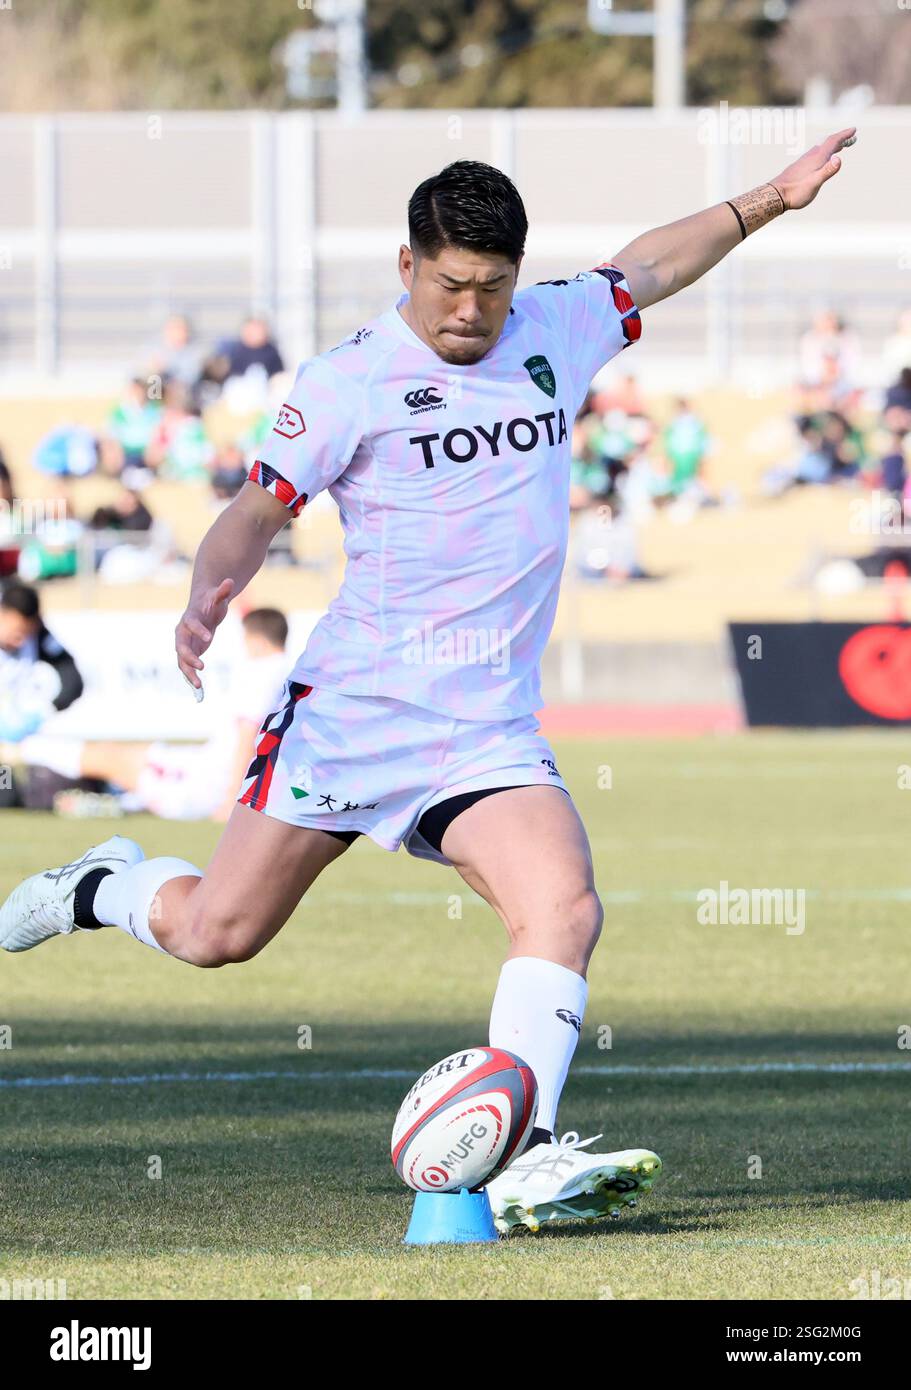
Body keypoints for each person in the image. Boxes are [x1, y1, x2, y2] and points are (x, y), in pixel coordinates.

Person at [0, 130, 857, 1232]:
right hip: (352, 716)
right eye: (451, 284)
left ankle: (527, 1154)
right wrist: (212, 589)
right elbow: (256, 509)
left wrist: (770, 200)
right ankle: (99, 887)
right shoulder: (346, 380)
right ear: (406, 267)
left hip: (483, 728)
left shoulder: (551, 325)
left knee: (563, 904)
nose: (471, 310)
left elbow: (648, 267)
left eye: (492, 289)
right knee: (219, 931)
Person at [17, 609, 289, 824]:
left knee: (109, 758)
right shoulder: (285, 672)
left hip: (201, 785)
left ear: (256, 640)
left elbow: (248, 736)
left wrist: (231, 802)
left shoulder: (262, 673)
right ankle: (110, 798)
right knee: (119, 756)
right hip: (201, 770)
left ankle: (21, 751)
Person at [0, 580, 83, 745]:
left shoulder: (39, 636)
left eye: (26, 633)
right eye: (16, 632)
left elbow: (72, 679)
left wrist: (48, 709)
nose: (20, 641)